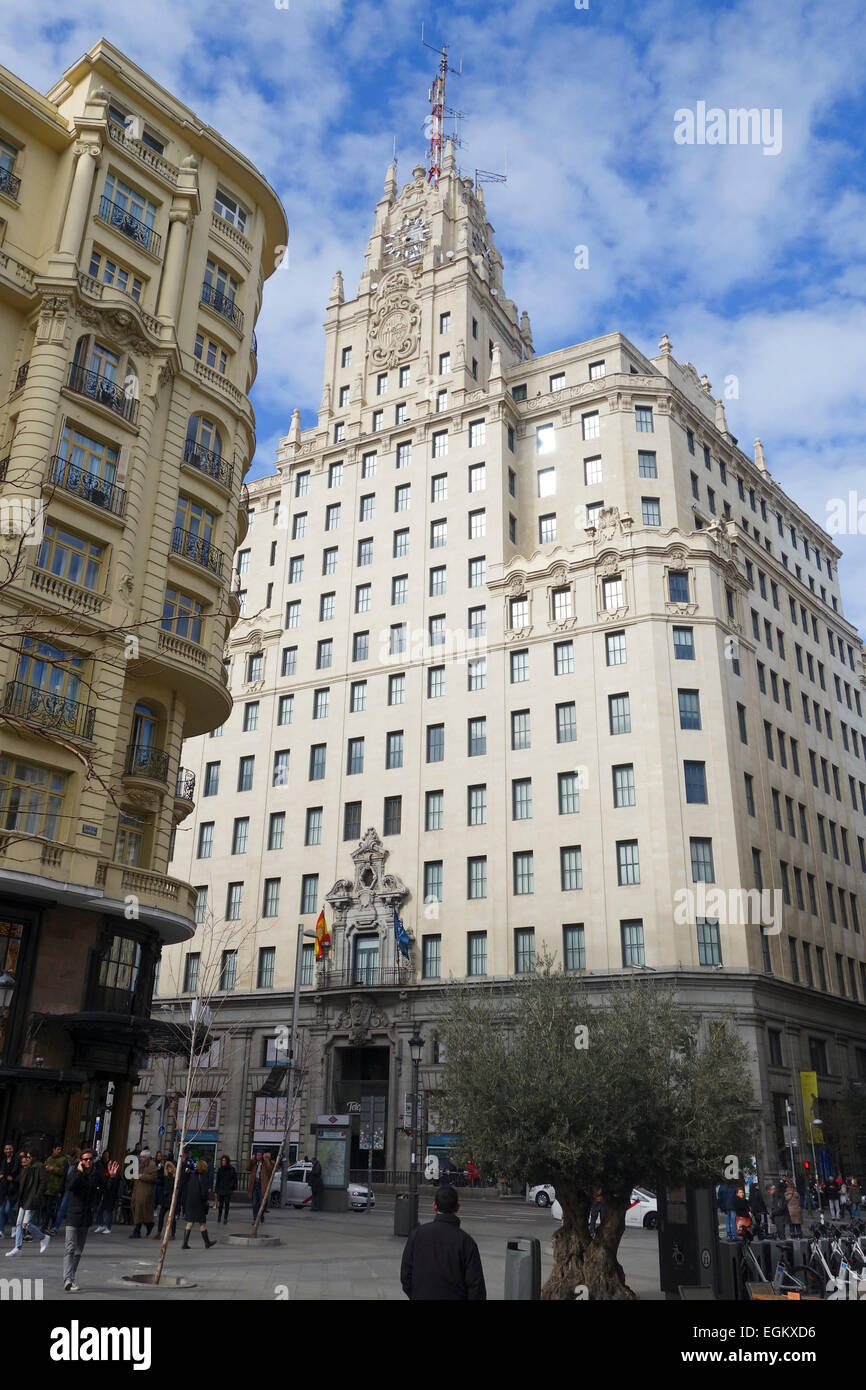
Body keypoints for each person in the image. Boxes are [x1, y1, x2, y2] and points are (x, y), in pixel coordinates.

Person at [400, 1184, 486, 1301]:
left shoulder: (417, 1234)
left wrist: (416, 1294)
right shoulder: (466, 1242)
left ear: (434, 1206)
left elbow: (406, 1276)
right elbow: (476, 1287)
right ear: (457, 1208)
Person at [63, 1148, 119, 1292]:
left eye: (90, 1159)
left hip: (86, 1216)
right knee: (69, 1248)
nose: (88, 1161)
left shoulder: (96, 1174)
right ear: (80, 1161)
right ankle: (67, 1279)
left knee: (78, 1250)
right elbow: (69, 1186)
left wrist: (112, 1177)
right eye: (85, 1159)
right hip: (73, 1215)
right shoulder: (75, 1171)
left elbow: (106, 1189)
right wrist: (79, 1173)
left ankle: (72, 1277)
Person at [5, 1151, 51, 1257]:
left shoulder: (38, 1166)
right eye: (25, 1157)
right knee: (19, 1224)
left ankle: (43, 1237)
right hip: (24, 1199)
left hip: (31, 1199)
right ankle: (18, 1247)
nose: (25, 1159)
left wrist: (37, 1195)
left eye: (28, 1157)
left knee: (26, 1224)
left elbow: (43, 1182)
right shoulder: (26, 1169)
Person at [182, 1159, 216, 1249]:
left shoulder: (193, 1175)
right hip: (199, 1203)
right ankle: (207, 1242)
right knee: (202, 1222)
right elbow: (204, 1192)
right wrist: (206, 1200)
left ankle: (185, 1243)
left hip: (190, 1202)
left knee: (190, 1222)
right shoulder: (203, 1176)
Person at [129, 1148, 157, 1238]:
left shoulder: (152, 1165)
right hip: (137, 1190)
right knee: (135, 1207)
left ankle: (137, 1230)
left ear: (147, 1157)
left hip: (145, 1192)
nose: (141, 1158)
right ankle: (149, 1224)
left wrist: (142, 1176)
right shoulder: (141, 1165)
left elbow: (153, 1178)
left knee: (140, 1210)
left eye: (143, 1157)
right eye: (140, 1157)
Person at [42, 1145, 67, 1230]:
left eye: (60, 1149)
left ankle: (46, 1225)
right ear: (53, 1149)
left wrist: (54, 1169)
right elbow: (44, 1167)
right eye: (58, 1149)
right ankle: (52, 1221)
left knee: (50, 1207)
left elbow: (63, 1171)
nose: (59, 1151)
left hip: (55, 1187)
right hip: (47, 1186)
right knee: (45, 1207)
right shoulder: (49, 1158)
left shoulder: (63, 1160)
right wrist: (46, 1168)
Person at [94, 1158, 121, 1234]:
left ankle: (108, 1227)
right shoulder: (106, 1173)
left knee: (109, 1211)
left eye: (110, 1164)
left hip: (111, 1196)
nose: (109, 1166)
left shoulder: (116, 1175)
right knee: (100, 1210)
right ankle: (100, 1225)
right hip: (105, 1195)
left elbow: (113, 1186)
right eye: (108, 1164)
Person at [0, 1143, 21, 1238]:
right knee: (1, 1210)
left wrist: (12, 1179)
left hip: (13, 1189)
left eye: (10, 1149)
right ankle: (1, 1231)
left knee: (8, 1209)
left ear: (12, 1150)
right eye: (6, 1149)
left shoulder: (17, 1160)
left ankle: (14, 1227)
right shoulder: (3, 1161)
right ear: (4, 1150)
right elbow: (2, 1172)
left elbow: (19, 1174)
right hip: (4, 1189)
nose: (8, 1150)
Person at [246, 1151, 272, 1224]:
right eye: (257, 1155)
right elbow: (247, 1168)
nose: (258, 1156)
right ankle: (255, 1219)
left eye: (260, 1155)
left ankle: (261, 1215)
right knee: (254, 1204)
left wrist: (266, 1159)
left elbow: (270, 1169)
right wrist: (251, 1160)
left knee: (261, 1203)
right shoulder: (254, 1163)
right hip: (254, 1186)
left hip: (262, 1186)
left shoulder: (264, 1164)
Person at [214, 1155, 237, 1225]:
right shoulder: (220, 1169)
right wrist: (216, 1190)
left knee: (227, 1205)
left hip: (227, 1189)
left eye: (224, 1160)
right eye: (222, 1160)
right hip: (221, 1189)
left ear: (227, 1161)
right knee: (220, 1205)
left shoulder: (231, 1169)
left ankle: (225, 1218)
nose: (223, 1162)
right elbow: (218, 1180)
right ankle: (219, 1217)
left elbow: (234, 1179)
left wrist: (231, 1187)